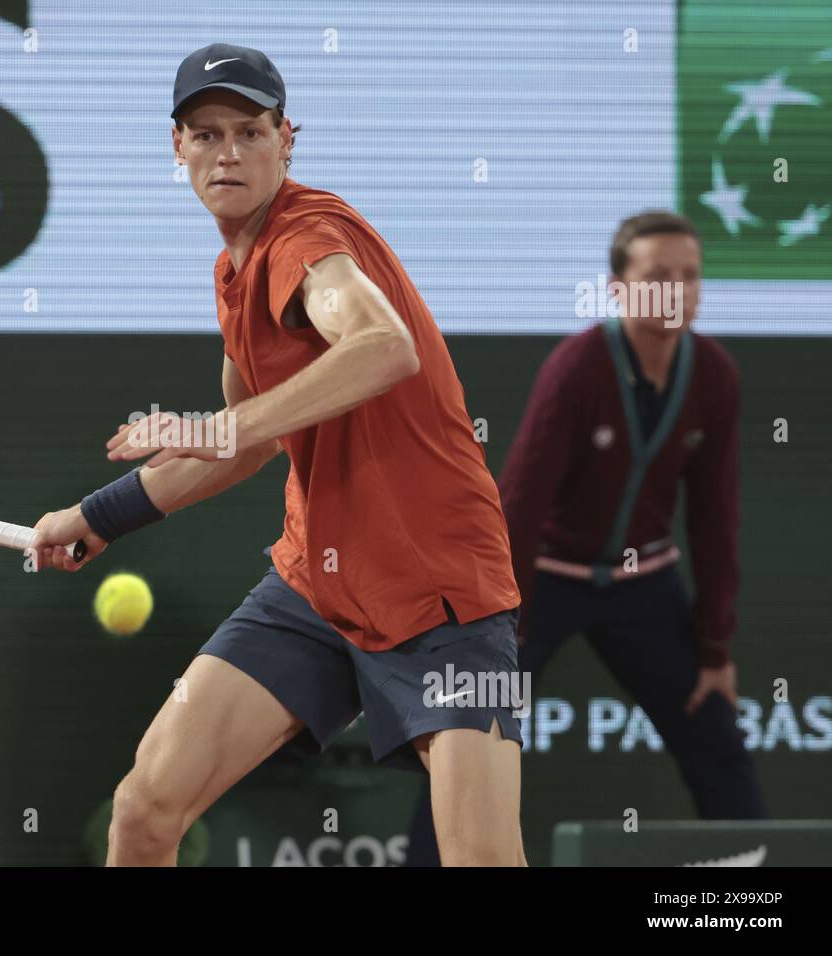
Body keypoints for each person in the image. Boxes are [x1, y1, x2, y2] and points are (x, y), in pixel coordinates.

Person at [31, 43, 526, 866]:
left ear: (287, 140)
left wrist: (218, 428)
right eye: (207, 132)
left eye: (251, 132)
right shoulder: (233, 274)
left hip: (445, 595)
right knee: (145, 809)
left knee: (482, 860)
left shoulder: (310, 236)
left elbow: (381, 346)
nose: (229, 152)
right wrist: (95, 515)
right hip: (316, 587)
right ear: (177, 145)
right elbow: (242, 445)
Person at [406, 211, 768, 866]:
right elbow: (518, 500)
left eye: (691, 277)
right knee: (469, 737)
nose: (678, 292)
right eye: (658, 277)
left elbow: (717, 516)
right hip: (540, 582)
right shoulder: (577, 366)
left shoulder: (714, 375)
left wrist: (715, 647)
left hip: (646, 587)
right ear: (619, 288)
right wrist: (498, 627)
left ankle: (753, 894)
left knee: (715, 733)